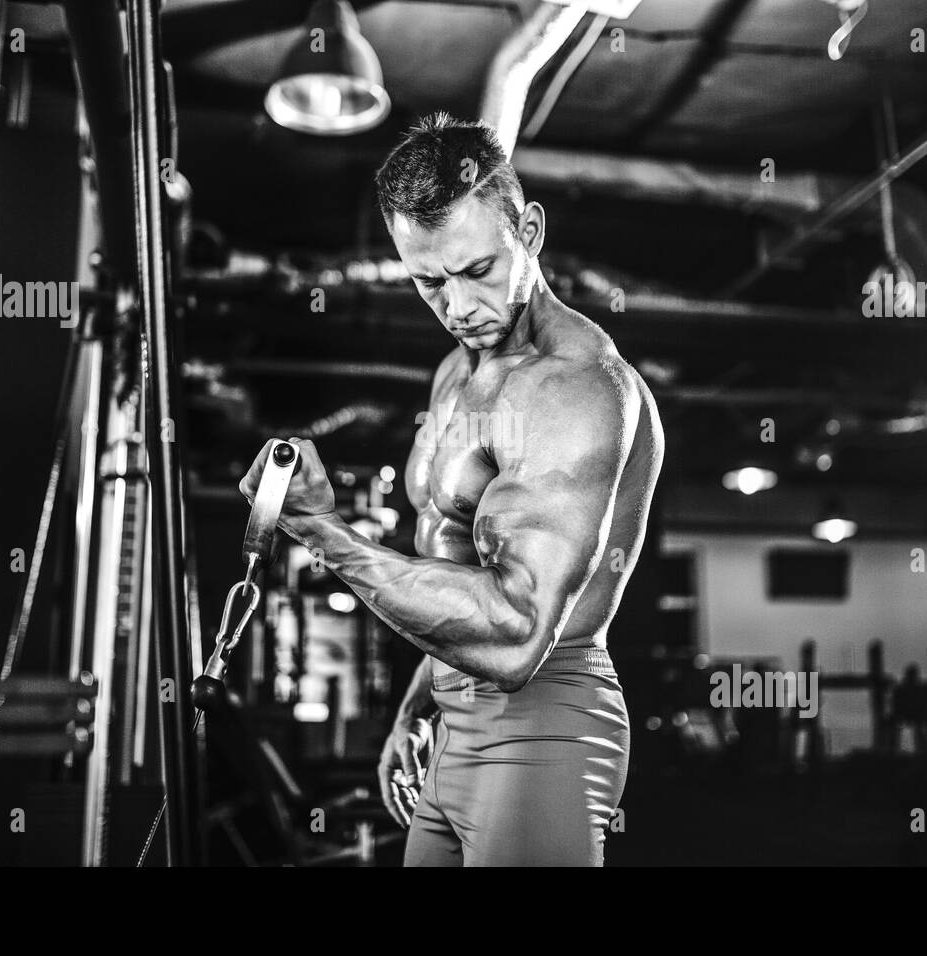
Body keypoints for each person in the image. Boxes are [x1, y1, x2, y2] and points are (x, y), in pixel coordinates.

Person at [240, 113, 663, 865]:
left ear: (528, 230)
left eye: (477, 271)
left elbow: (514, 634)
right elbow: (457, 570)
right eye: (428, 281)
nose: (459, 307)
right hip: (449, 727)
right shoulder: (454, 372)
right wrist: (416, 706)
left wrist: (324, 534)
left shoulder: (577, 389)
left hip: (543, 728)